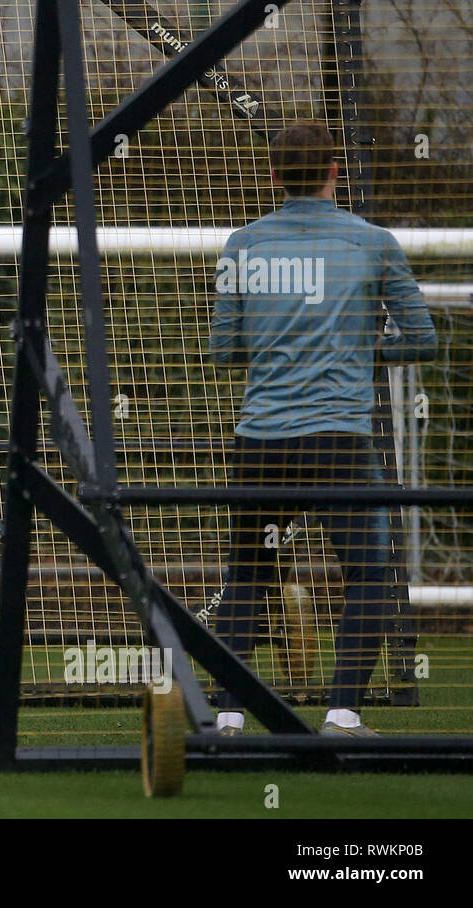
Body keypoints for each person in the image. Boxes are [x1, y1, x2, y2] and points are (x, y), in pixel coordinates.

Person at [209, 121, 436, 737]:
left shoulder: (243, 246)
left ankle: (229, 717)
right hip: (338, 437)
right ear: (335, 173)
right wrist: (360, 350)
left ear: (275, 176)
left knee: (249, 575)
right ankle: (342, 713)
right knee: (368, 572)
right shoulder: (374, 242)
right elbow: (421, 339)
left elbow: (225, 350)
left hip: (261, 440)